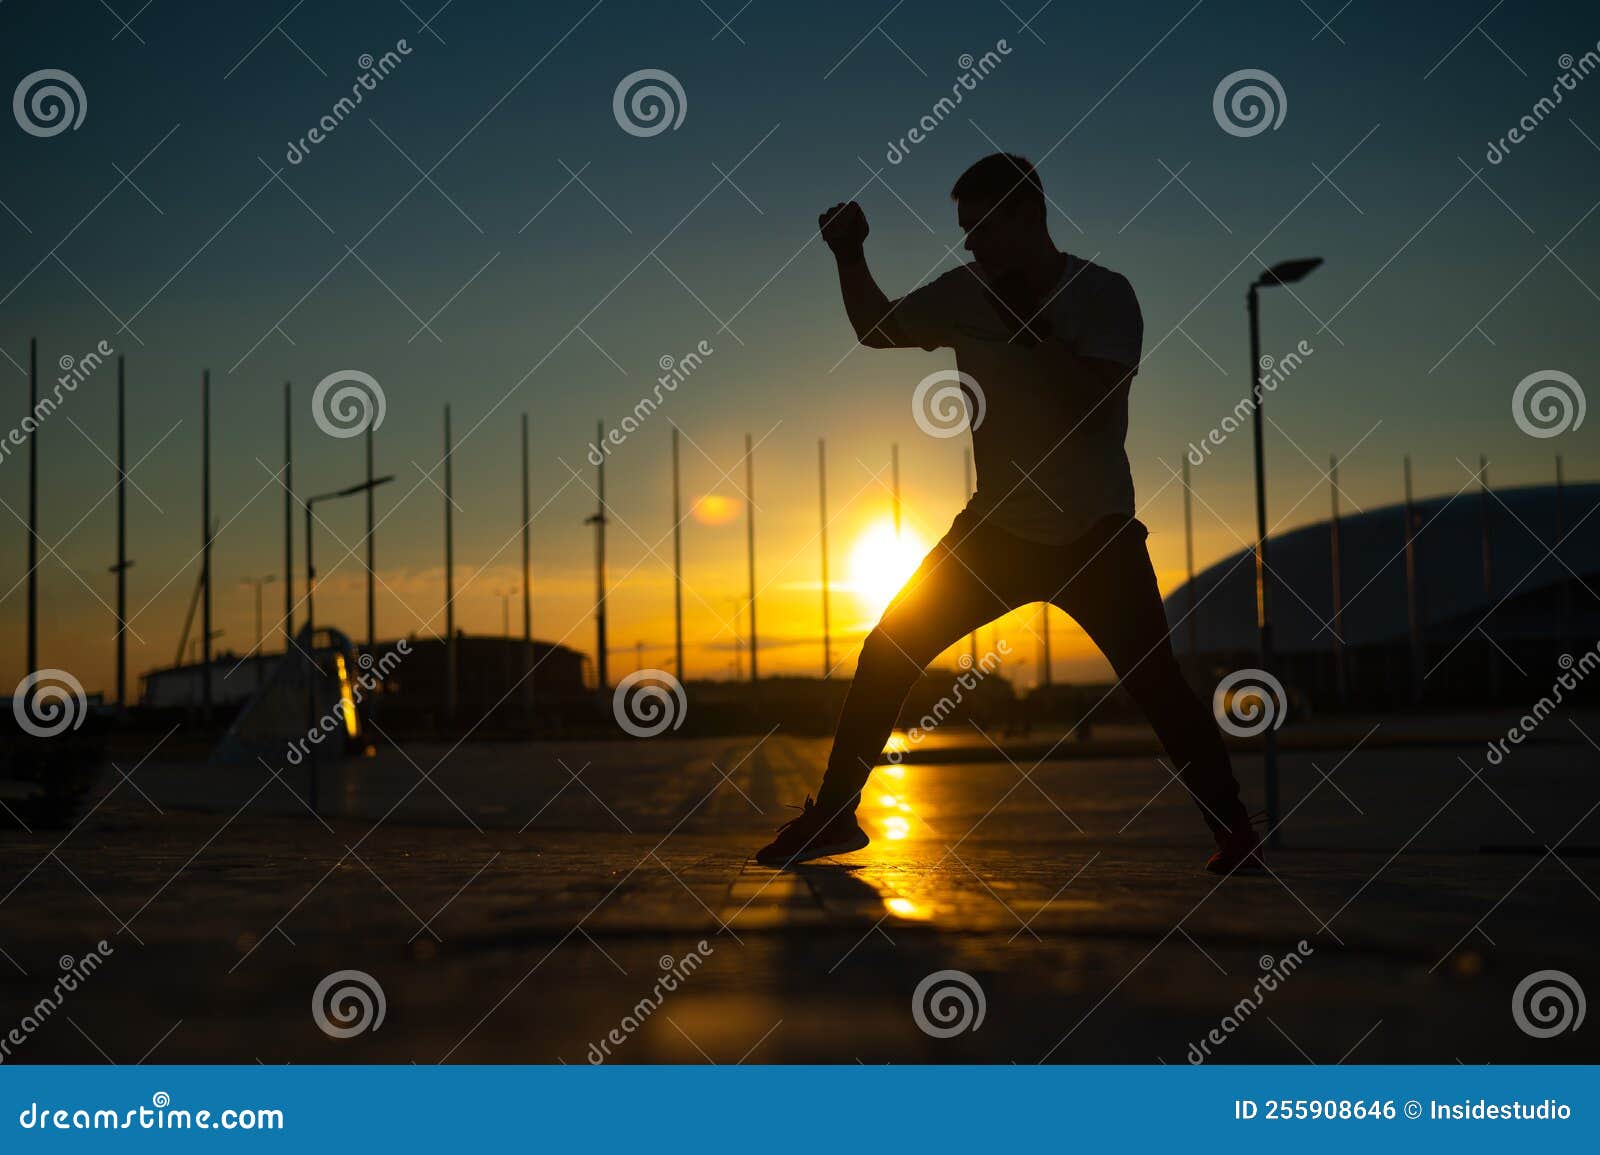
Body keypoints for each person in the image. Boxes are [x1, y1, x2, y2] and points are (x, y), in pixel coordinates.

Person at [756, 153, 1263, 874]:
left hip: (1096, 535)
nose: (971, 246)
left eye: (983, 229)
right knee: (889, 648)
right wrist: (849, 254)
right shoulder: (964, 292)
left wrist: (1031, 327)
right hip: (998, 530)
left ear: (1029, 216)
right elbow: (876, 328)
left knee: (1158, 686)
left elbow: (1095, 407)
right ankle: (836, 814)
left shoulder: (1106, 295)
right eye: (964, 232)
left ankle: (1235, 827)